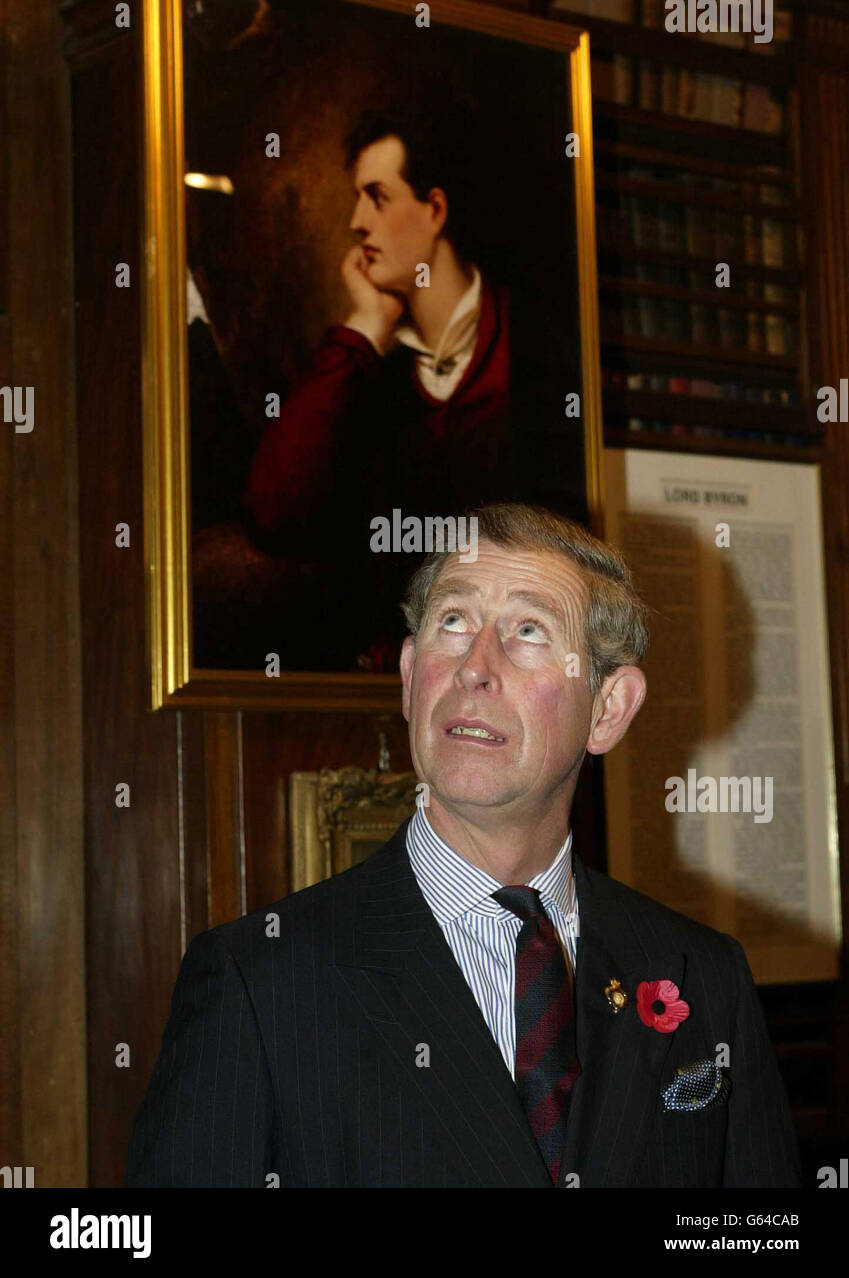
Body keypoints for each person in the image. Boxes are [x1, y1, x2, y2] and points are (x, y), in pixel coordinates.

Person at [125, 502, 801, 1187]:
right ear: (411, 675)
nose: (475, 668)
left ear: (607, 708)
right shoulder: (260, 982)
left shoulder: (700, 975)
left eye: (529, 631)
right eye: (453, 622)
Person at [243, 108, 515, 670]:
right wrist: (366, 327)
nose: (356, 220)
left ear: (435, 209)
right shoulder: (368, 375)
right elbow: (275, 513)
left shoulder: (524, 347)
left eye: (377, 196)